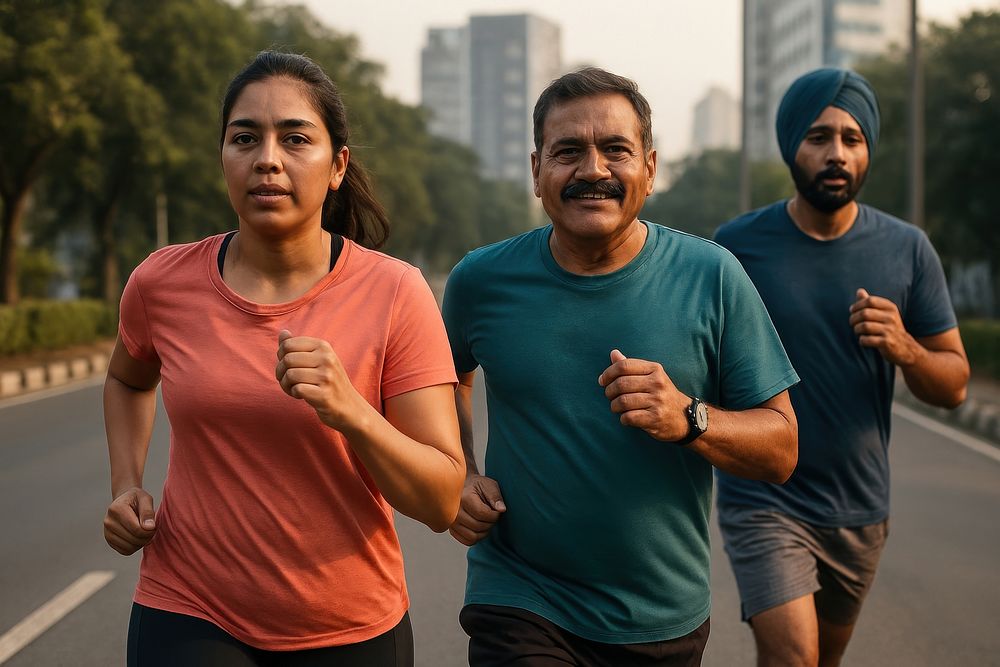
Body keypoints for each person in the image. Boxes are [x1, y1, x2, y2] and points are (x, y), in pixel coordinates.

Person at [102, 51, 464, 667]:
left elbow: (441, 501)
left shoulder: (397, 293)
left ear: (337, 166)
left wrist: (352, 410)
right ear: (223, 157)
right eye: (245, 138)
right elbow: (127, 377)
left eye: (295, 138)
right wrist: (125, 483)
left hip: (349, 623)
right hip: (188, 605)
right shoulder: (161, 282)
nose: (267, 158)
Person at [441, 67, 800, 667]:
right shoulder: (481, 280)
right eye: (568, 152)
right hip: (519, 595)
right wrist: (459, 467)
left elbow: (782, 448)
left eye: (615, 150)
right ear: (537, 172)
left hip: (659, 614)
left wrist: (687, 416)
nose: (593, 171)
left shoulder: (713, 276)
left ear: (650, 170)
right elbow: (448, 376)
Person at [713, 68, 970, 667]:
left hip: (860, 507)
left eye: (853, 139)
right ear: (791, 147)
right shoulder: (737, 247)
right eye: (819, 137)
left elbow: (954, 386)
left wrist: (905, 348)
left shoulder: (907, 249)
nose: (837, 154)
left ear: (868, 149)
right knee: (794, 659)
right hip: (764, 499)